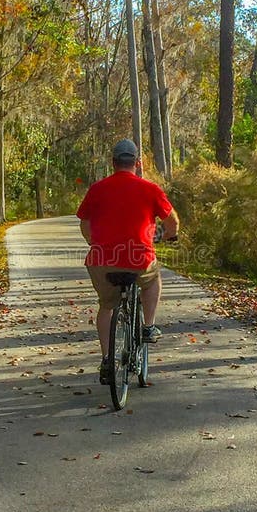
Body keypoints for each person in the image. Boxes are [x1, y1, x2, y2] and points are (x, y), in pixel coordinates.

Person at [76, 139, 179, 383]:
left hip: (102, 261)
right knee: (153, 279)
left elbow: (85, 224)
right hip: (138, 259)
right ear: (137, 163)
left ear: (113, 163)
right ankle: (148, 326)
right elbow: (171, 220)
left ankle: (106, 360)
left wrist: (95, 244)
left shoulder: (97, 189)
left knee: (106, 305)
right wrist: (170, 236)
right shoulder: (150, 189)